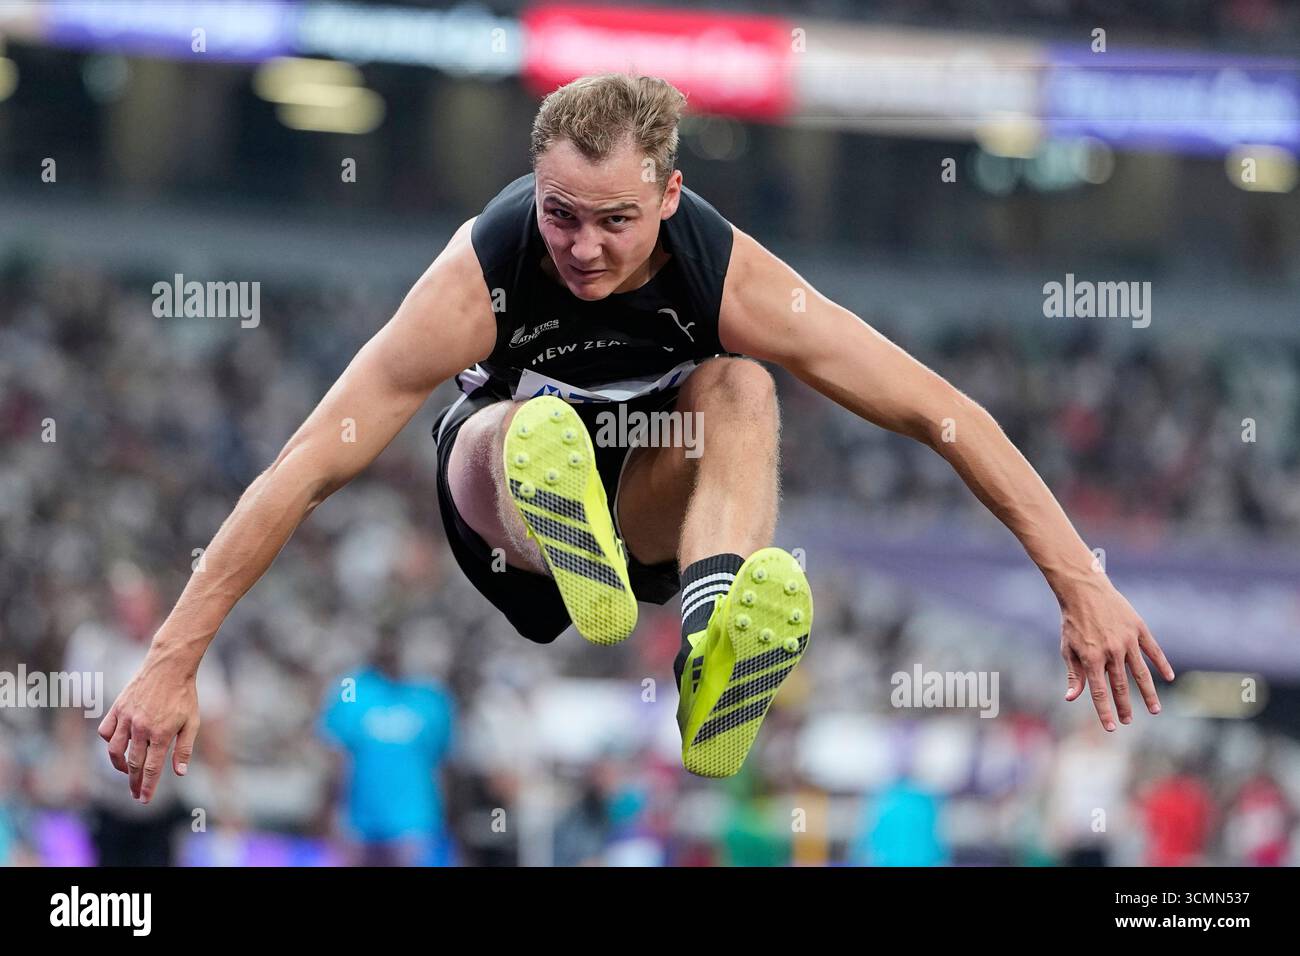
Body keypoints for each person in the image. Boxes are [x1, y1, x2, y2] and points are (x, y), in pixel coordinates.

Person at [99, 72, 1174, 799]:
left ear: (670, 195)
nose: (580, 245)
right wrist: (170, 660)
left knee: (743, 388)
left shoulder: (724, 270)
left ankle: (712, 651)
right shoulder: (482, 273)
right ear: (534, 187)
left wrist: (1077, 579)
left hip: (645, 517)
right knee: (511, 427)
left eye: (614, 220)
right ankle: (556, 505)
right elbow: (309, 461)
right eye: (561, 212)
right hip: (506, 517)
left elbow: (938, 411)